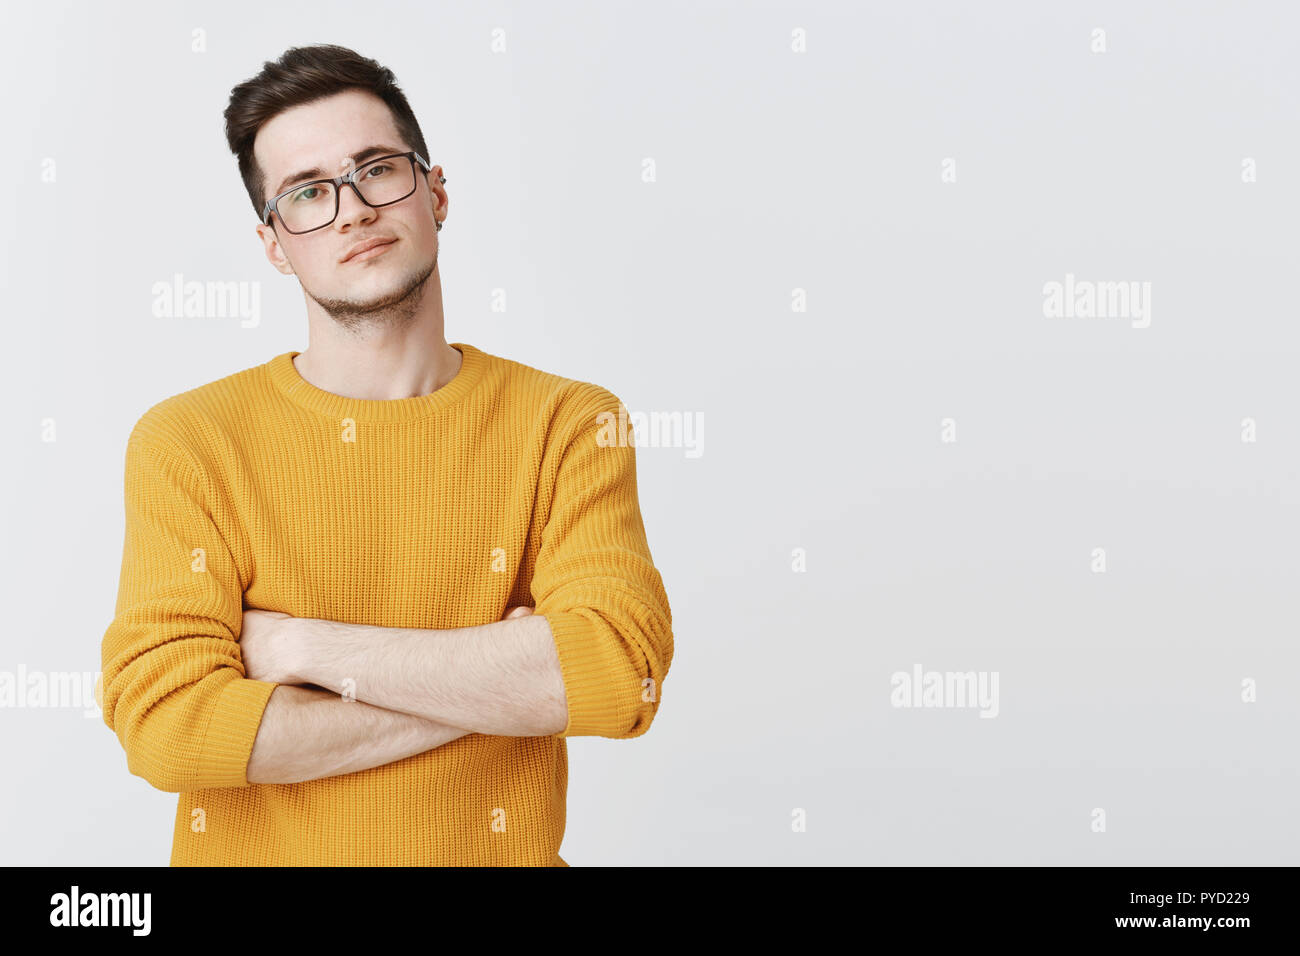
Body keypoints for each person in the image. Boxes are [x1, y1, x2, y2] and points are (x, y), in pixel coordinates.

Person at [99, 44, 673, 866]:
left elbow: (619, 676)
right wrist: (504, 684)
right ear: (273, 243)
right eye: (307, 193)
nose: (352, 209)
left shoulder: (569, 424)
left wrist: (304, 650)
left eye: (377, 170)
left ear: (436, 193)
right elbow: (170, 731)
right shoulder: (191, 440)